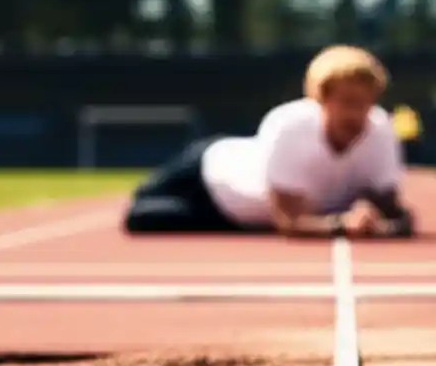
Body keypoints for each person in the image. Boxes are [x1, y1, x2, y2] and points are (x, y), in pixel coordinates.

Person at [123, 45, 415, 238]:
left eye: (364, 103)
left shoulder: (380, 130)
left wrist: (378, 219)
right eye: (347, 102)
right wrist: (344, 225)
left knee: (153, 217)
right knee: (138, 212)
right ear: (321, 99)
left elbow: (393, 208)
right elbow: (289, 222)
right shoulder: (289, 126)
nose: (356, 114)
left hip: (228, 217)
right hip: (209, 173)